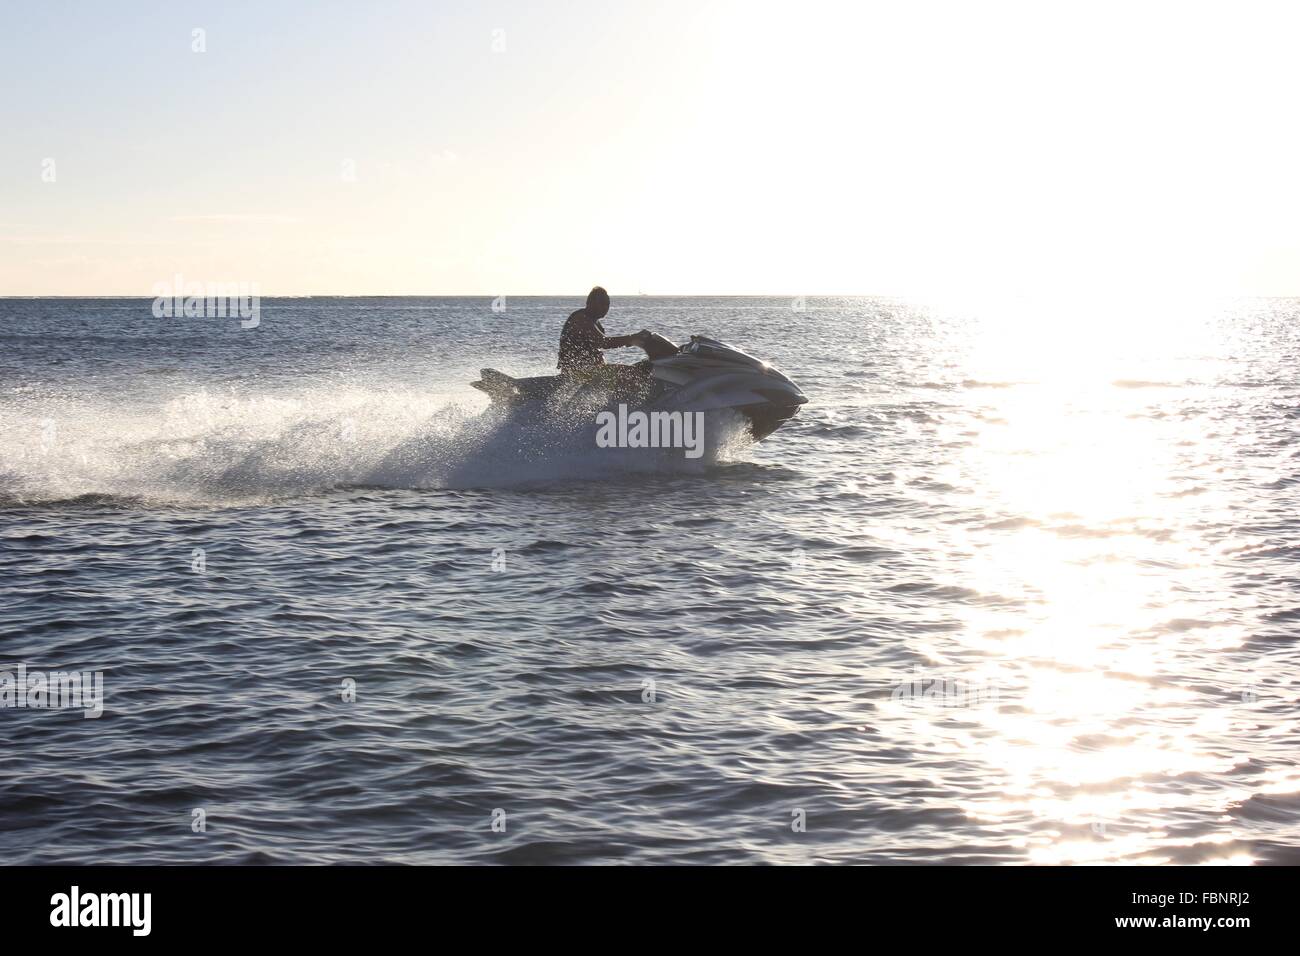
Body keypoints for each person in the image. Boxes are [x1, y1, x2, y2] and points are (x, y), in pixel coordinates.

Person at [557, 287, 648, 388]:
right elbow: (604, 342)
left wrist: (634, 341)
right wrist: (631, 338)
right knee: (632, 373)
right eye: (602, 304)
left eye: (607, 304)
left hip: (593, 373)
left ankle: (634, 401)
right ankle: (633, 401)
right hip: (575, 375)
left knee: (643, 366)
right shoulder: (581, 319)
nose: (605, 308)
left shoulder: (595, 322)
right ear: (590, 303)